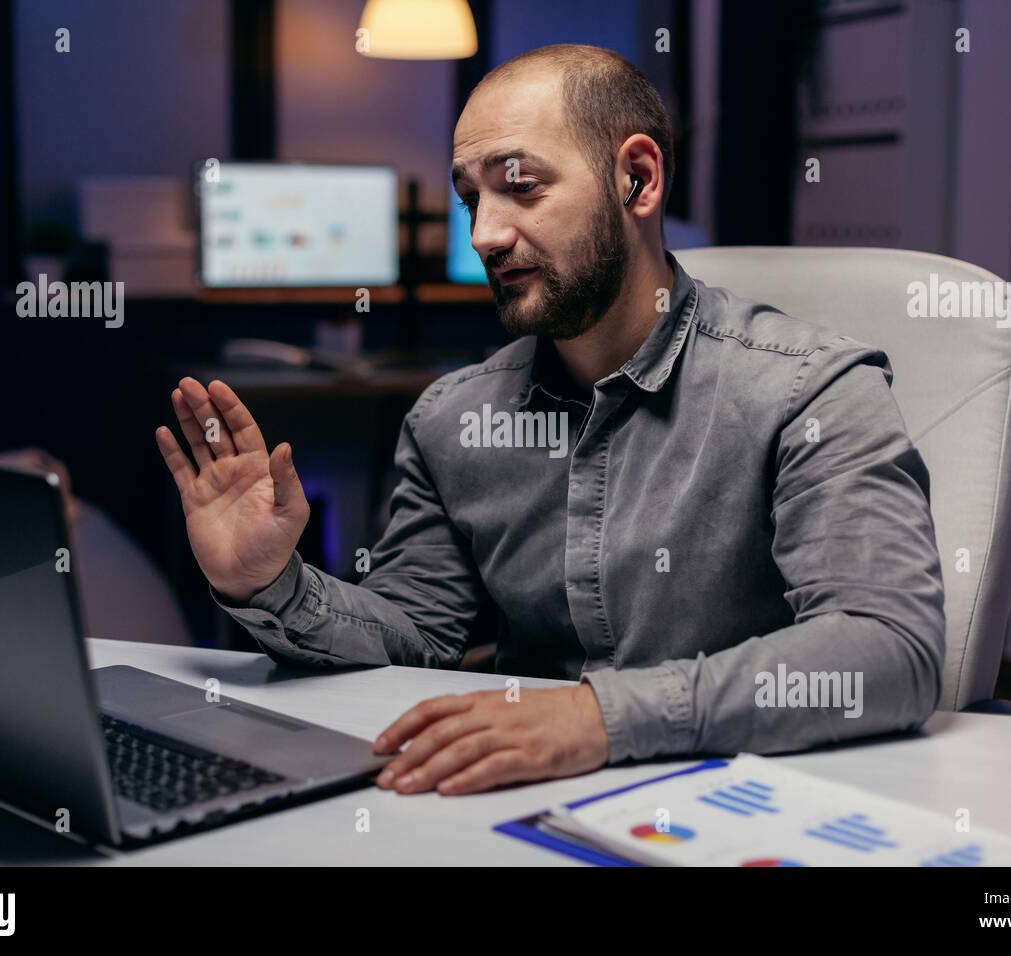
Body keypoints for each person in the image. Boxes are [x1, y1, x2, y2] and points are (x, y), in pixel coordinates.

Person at [155, 44, 945, 797]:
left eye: (521, 187)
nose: (484, 235)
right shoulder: (451, 420)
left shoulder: (811, 389)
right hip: (515, 807)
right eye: (471, 198)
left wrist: (598, 717)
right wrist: (270, 583)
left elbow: (887, 647)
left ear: (638, 180)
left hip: (753, 804)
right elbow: (415, 637)